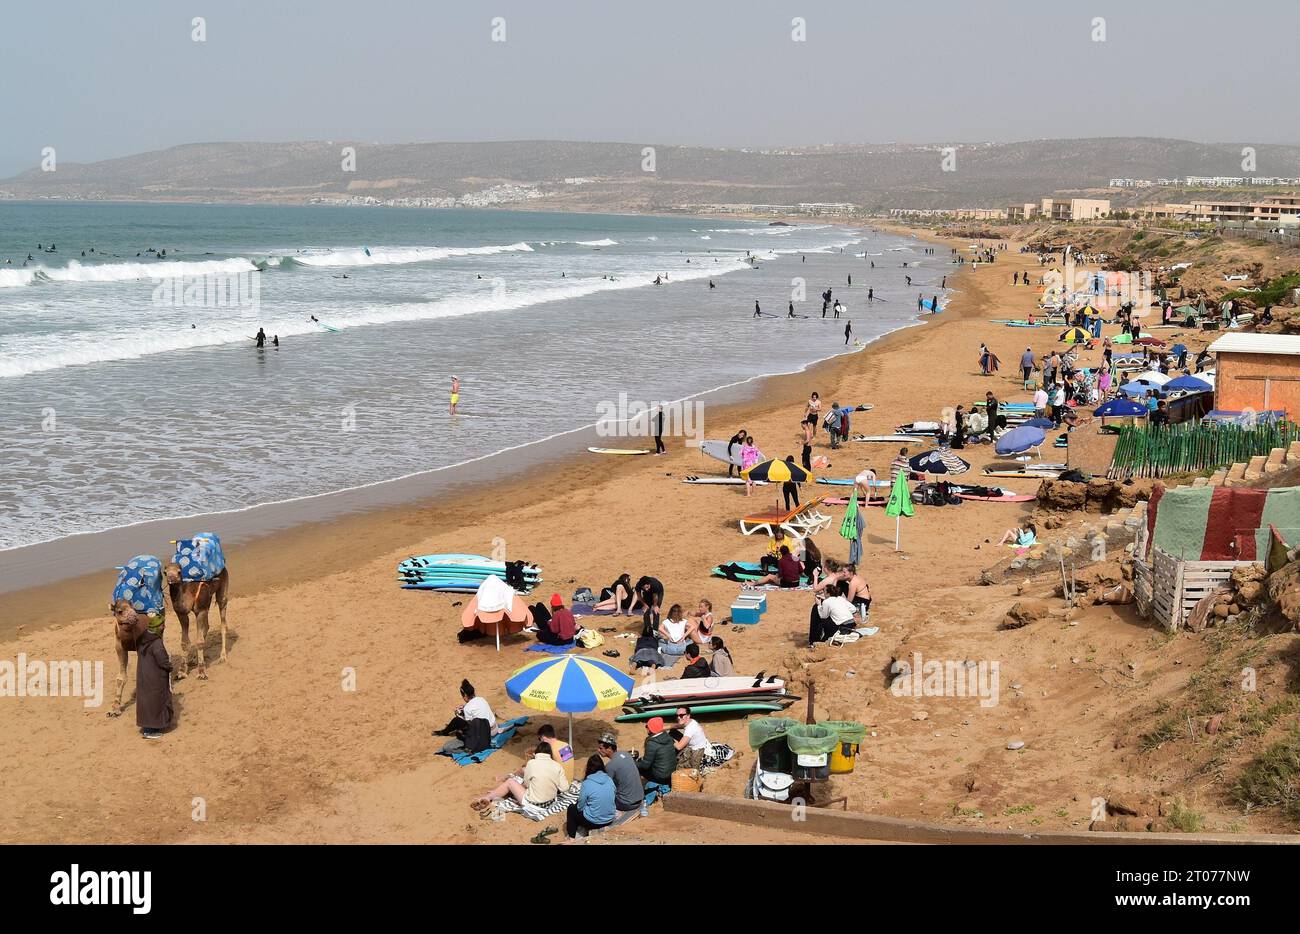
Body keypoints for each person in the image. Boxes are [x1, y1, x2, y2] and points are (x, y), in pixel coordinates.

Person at [471, 741, 569, 811]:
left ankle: (488, 797)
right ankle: (495, 794)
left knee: (510, 782)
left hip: (534, 804)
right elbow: (565, 788)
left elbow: (526, 783)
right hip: (550, 803)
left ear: (537, 753)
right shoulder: (557, 764)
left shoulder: (532, 763)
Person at [133, 611, 172, 739]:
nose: (164, 627)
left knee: (146, 702)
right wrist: (169, 666)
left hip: (144, 676)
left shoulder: (142, 638)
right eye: (162, 625)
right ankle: (151, 731)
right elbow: (163, 661)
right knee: (156, 701)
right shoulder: (157, 643)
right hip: (155, 677)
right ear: (157, 627)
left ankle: (147, 727)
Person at [433, 679, 501, 751]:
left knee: (457, 721)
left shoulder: (467, 708)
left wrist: (459, 715)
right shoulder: (481, 699)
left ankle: (445, 732)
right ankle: (447, 731)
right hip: (494, 729)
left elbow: (471, 725)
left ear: (465, 695)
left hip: (486, 735)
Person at [566, 755, 616, 839]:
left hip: (594, 822)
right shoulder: (609, 780)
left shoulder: (587, 783)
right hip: (609, 819)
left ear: (589, 768)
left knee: (571, 809)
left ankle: (571, 837)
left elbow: (580, 807)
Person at [597, 732, 645, 816]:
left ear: (609, 748)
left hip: (626, 804)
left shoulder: (610, 766)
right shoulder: (626, 754)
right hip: (639, 798)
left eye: (601, 748)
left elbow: (604, 787)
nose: (598, 750)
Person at [808, 581, 858, 647]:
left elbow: (823, 616)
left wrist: (819, 605)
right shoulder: (840, 598)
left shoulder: (826, 602)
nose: (823, 592)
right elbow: (853, 609)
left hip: (841, 626)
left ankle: (816, 639)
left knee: (822, 621)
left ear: (828, 593)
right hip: (851, 623)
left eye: (824, 591)